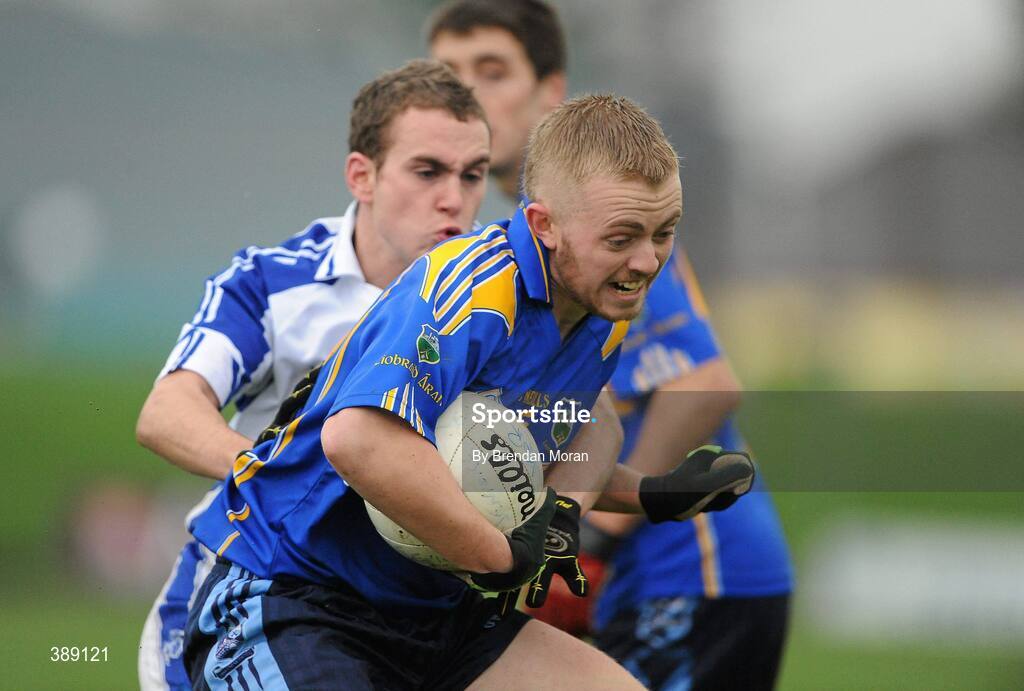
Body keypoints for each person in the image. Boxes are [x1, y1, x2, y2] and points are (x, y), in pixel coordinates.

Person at [182, 93, 754, 690]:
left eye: (665, 233)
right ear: (544, 225)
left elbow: (575, 429)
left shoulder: (600, 308)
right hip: (295, 598)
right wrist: (503, 556)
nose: (646, 260)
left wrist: (647, 495)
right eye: (622, 238)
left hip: (438, 614)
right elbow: (358, 440)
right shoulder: (475, 291)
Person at [428, 2, 794, 689]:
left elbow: (703, 381)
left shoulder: (612, 233)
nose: (467, 98)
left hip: (690, 574)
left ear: (550, 92)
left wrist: (589, 544)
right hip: (643, 581)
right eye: (448, 76)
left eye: (492, 71)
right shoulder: (521, 246)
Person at [135, 59, 492, 691]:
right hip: (250, 602)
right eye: (428, 171)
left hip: (406, 612)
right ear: (363, 176)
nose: (454, 198)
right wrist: (278, 476)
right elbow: (168, 412)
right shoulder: (273, 284)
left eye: (472, 175)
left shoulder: (493, 302)